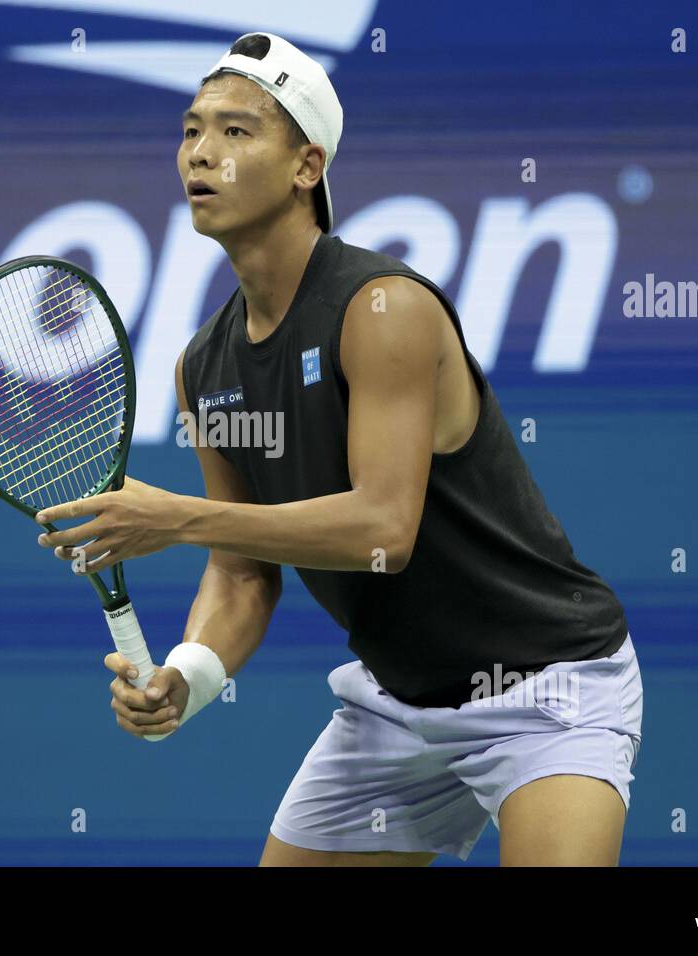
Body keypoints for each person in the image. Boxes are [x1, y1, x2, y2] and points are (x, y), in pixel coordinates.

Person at [36, 32, 643, 866]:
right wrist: (191, 673)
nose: (200, 154)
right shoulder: (203, 366)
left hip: (546, 688)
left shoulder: (383, 309)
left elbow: (382, 532)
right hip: (396, 712)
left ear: (307, 167)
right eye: (189, 131)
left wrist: (177, 519)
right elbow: (244, 569)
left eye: (236, 132)